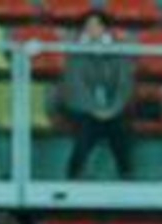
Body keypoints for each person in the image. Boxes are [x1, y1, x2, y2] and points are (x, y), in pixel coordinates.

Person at [58, 8, 134, 181]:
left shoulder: (118, 51)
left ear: (104, 29)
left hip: (112, 108)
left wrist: (112, 109)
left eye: (97, 25)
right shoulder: (76, 53)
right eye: (88, 26)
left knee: (117, 126)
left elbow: (124, 84)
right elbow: (75, 85)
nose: (92, 29)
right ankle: (74, 172)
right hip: (81, 107)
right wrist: (93, 109)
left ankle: (126, 173)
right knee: (89, 125)